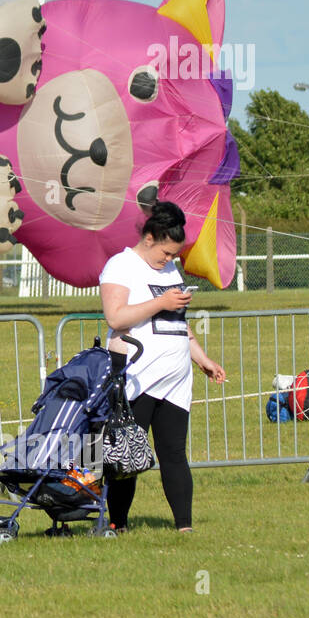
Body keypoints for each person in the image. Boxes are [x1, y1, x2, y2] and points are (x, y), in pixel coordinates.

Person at [99, 200, 227, 533]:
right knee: (126, 454)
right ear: (150, 237)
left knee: (173, 452)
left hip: (176, 380)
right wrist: (161, 301)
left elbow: (178, 324)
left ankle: (184, 527)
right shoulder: (120, 265)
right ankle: (117, 523)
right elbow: (115, 317)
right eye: (166, 253)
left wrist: (202, 359)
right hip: (137, 376)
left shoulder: (169, 270)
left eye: (173, 256)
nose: (169, 261)